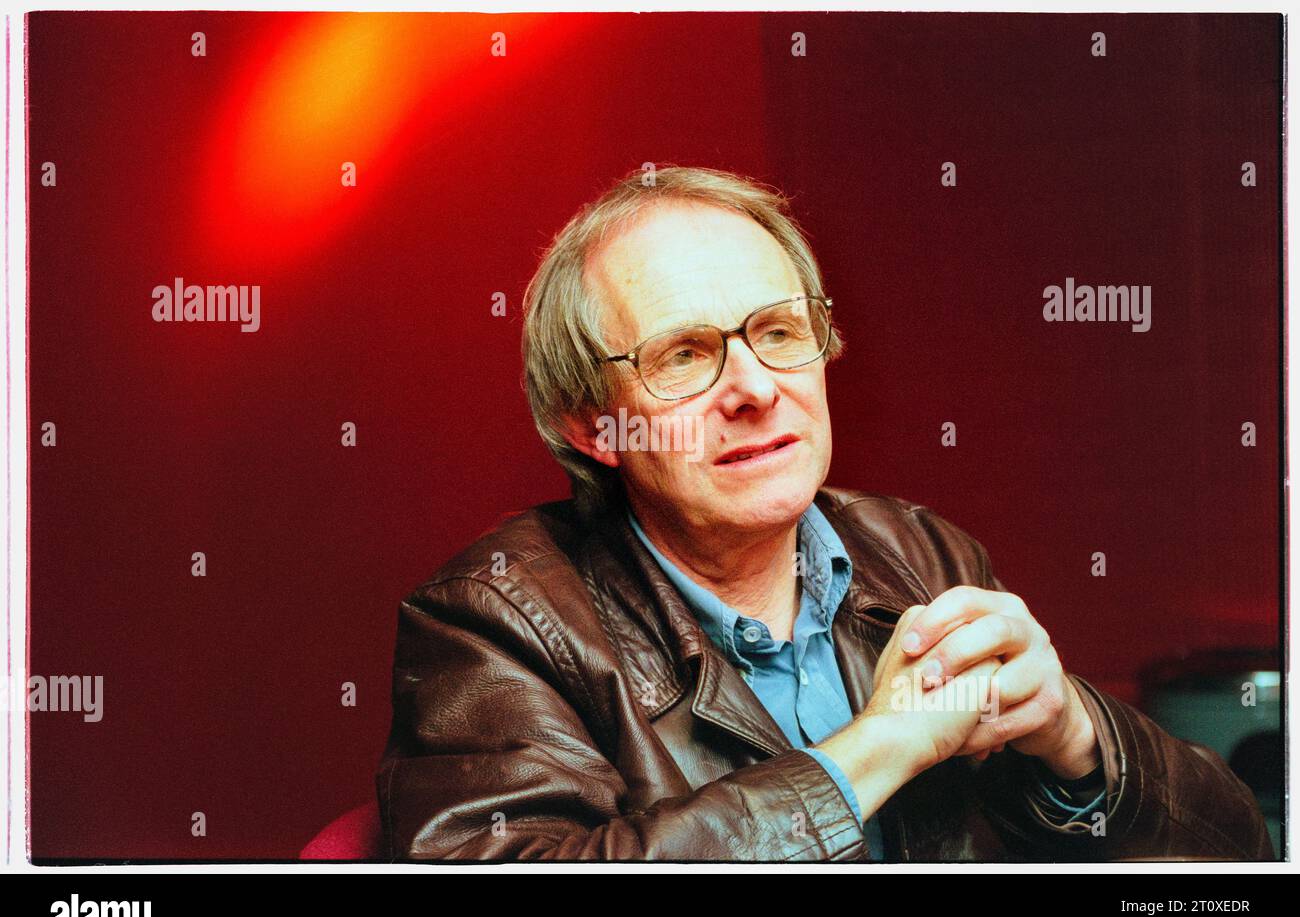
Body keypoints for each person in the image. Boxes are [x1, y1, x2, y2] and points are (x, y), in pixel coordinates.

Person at [375, 166, 1272, 860]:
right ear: (591, 425)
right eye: (685, 356)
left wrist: (1076, 734)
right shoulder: (490, 619)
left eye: (778, 330)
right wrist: (876, 749)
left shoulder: (919, 551)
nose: (757, 389)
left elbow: (1242, 861)